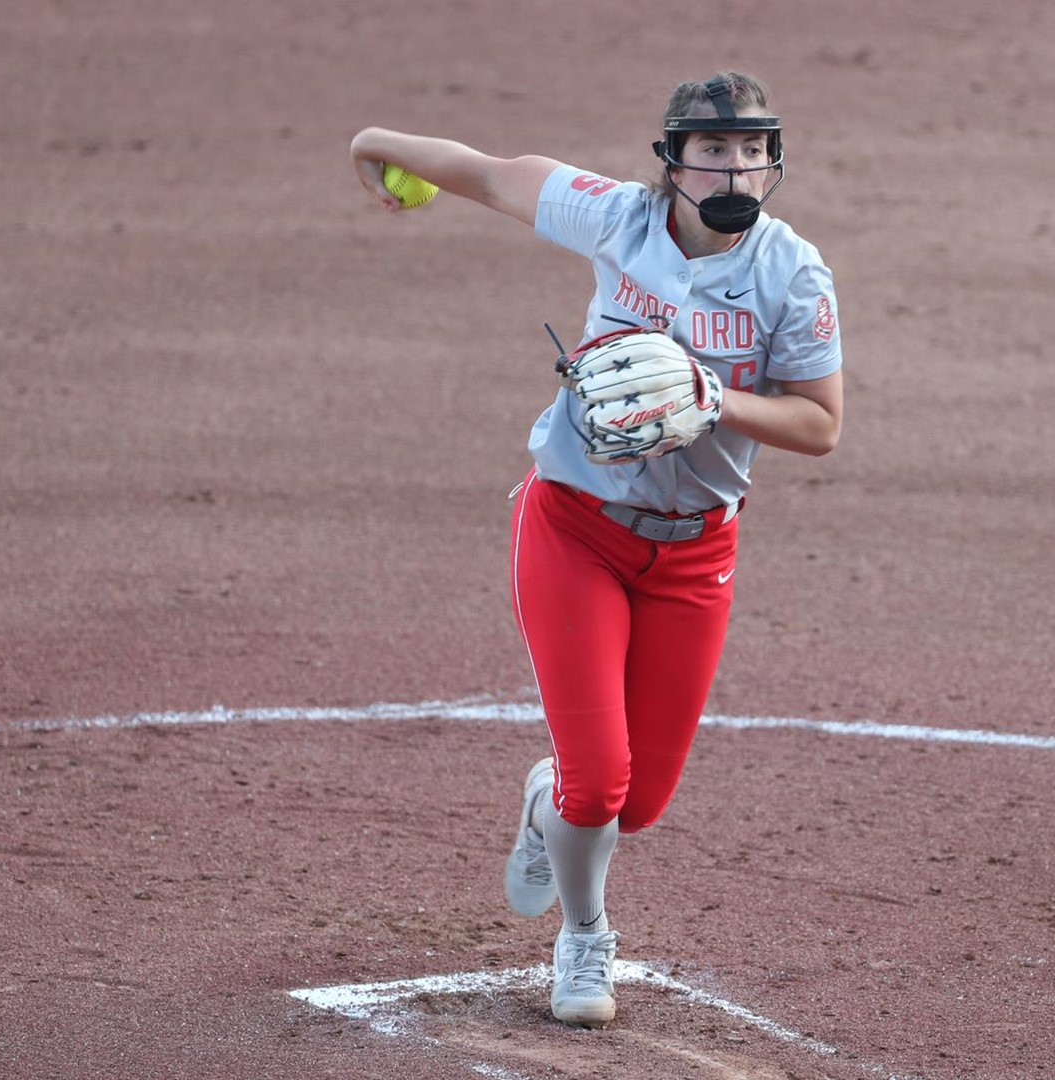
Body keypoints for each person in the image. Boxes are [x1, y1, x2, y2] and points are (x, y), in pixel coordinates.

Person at [349, 71, 843, 1027]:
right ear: (673, 163)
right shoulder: (614, 218)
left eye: (751, 148)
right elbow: (489, 175)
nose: (733, 165)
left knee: (636, 804)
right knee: (603, 783)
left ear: (774, 158)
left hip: (695, 557)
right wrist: (375, 138)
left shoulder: (795, 274)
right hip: (575, 526)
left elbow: (821, 426)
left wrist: (710, 398)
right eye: (712, 150)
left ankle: (550, 803)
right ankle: (584, 935)